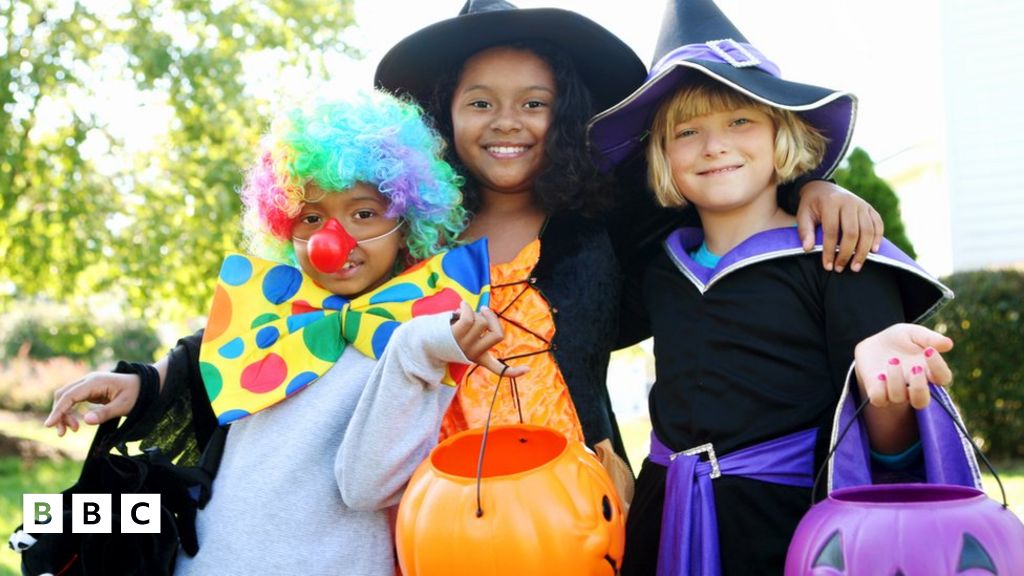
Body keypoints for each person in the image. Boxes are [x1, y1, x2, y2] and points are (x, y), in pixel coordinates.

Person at [372, 0, 885, 507]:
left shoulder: (607, 221)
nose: (507, 122)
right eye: (480, 103)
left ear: (566, 113)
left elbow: (717, 191)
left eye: (534, 103)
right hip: (434, 504)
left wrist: (812, 188)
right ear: (444, 114)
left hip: (582, 507)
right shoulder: (408, 236)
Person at [43, 89, 525, 575]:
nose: (332, 242)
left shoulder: (415, 337)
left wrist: (414, 352)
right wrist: (144, 384)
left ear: (407, 221)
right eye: (312, 218)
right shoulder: (273, 317)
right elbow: (206, 371)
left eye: (363, 213)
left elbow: (366, 487)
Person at [586, 0, 981, 573]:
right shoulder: (658, 269)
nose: (715, 145)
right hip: (665, 518)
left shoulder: (843, 259)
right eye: (687, 131)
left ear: (783, 134)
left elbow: (886, 446)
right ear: (662, 157)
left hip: (791, 528)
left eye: (740, 120)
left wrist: (892, 390)